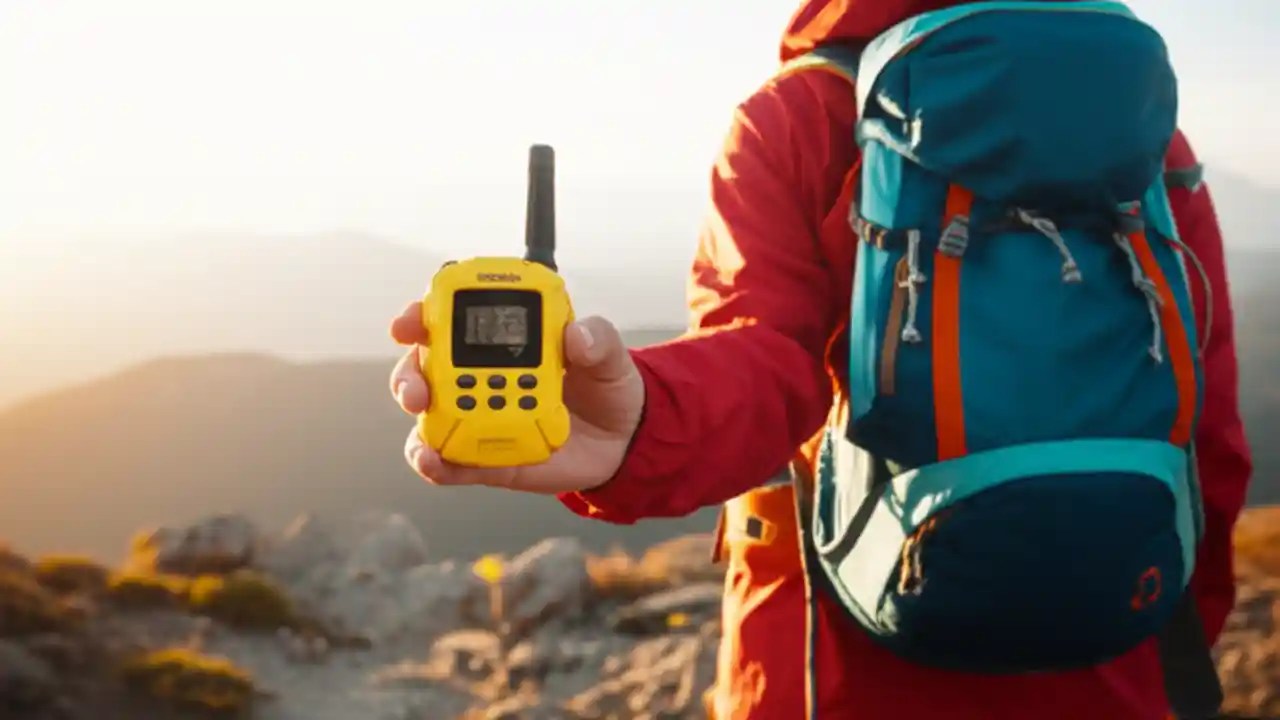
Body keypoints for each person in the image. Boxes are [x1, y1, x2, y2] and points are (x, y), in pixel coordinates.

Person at [388, 1, 1253, 718]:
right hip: (1109, 658)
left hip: (835, 674)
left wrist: (639, 427)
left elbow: (766, 368)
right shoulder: (1145, 132)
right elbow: (1206, 428)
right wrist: (1168, 636)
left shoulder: (803, 115)